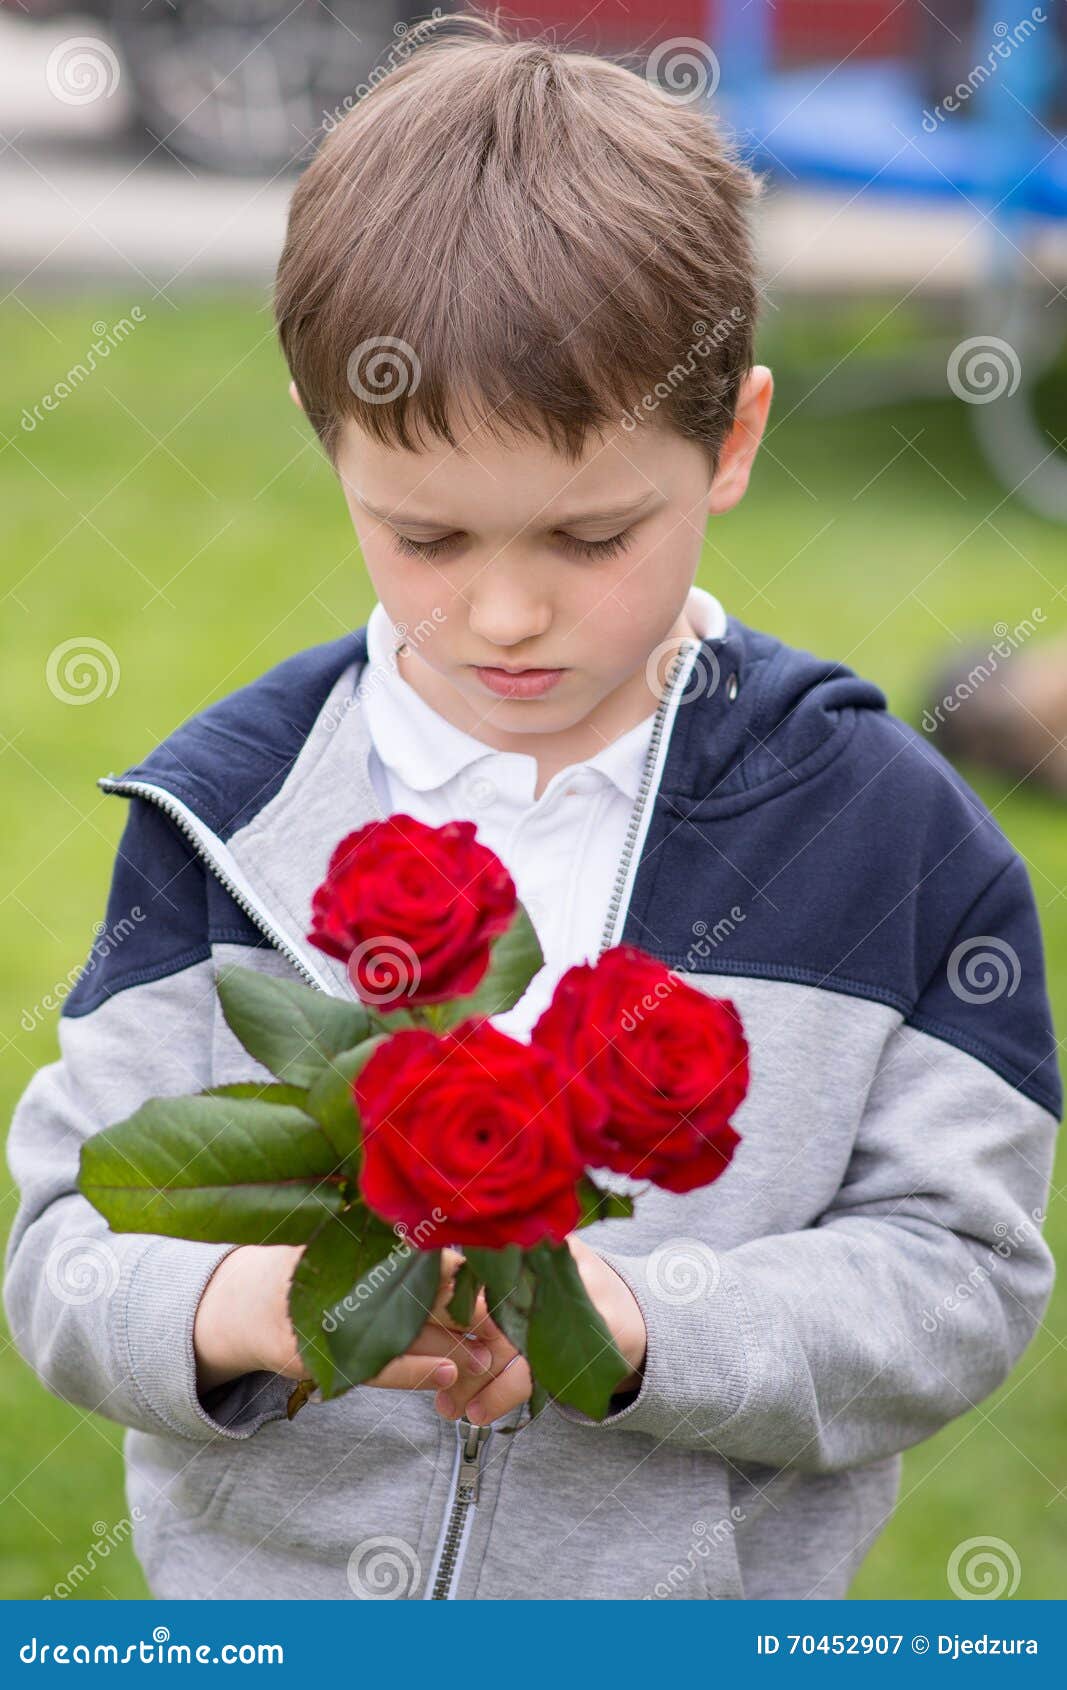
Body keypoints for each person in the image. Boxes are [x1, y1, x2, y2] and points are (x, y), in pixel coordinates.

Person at [4, 13, 1060, 1602]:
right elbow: (67, 1244)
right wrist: (243, 1302)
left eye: (588, 536)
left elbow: (959, 1276)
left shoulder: (886, 838)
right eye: (428, 539)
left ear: (735, 440)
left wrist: (638, 1324)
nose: (505, 613)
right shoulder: (227, 816)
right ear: (331, 444)